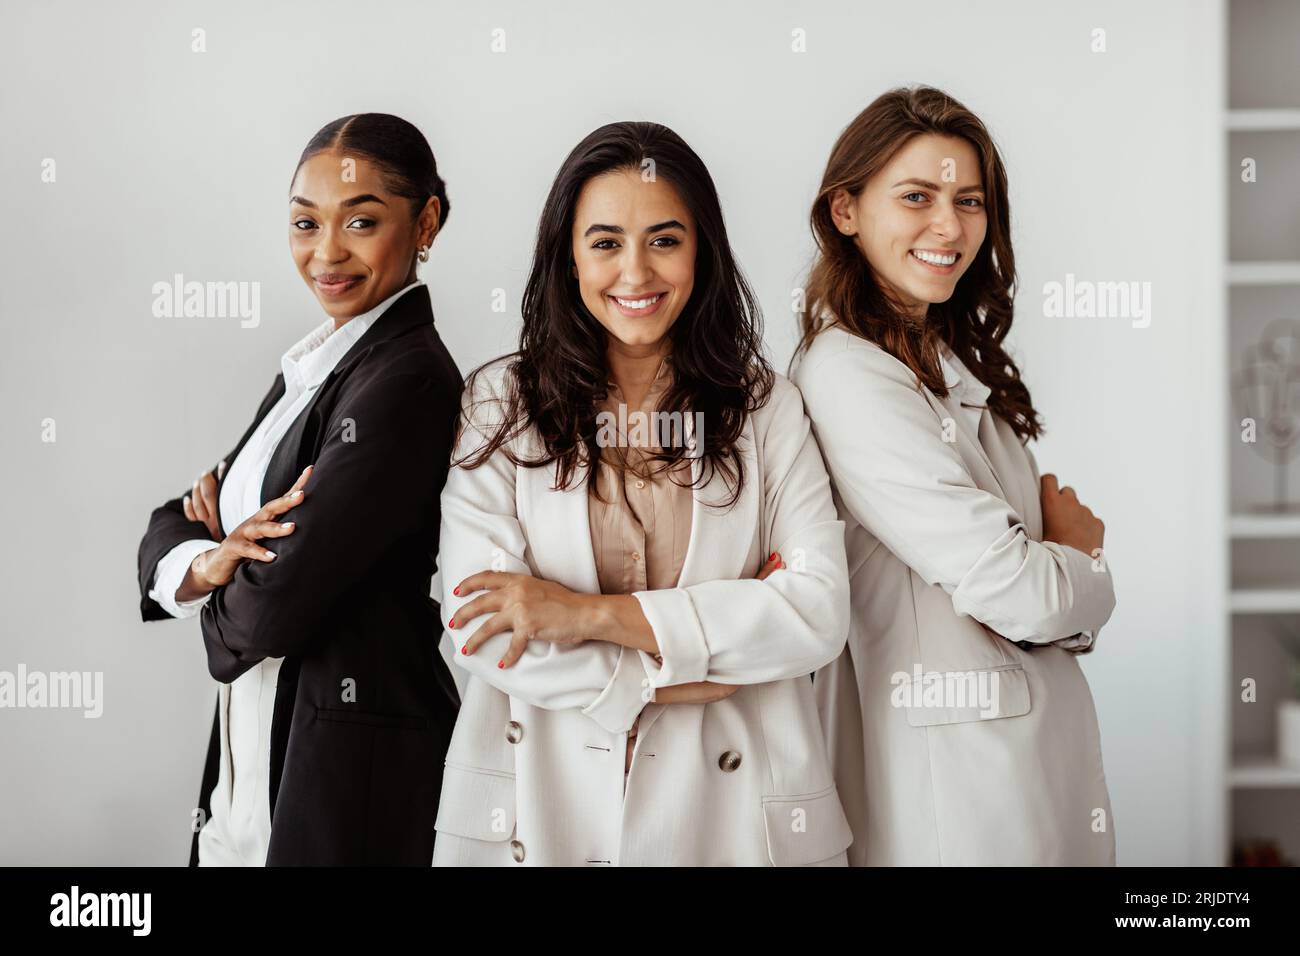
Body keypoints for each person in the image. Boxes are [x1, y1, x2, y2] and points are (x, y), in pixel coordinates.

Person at [431, 121, 853, 866]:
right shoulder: (500, 403)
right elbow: (485, 630)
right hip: (536, 806)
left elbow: (816, 614)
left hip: (737, 813)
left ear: (702, 251)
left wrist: (587, 616)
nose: (636, 272)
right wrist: (665, 675)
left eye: (664, 240)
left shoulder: (767, 407)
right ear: (567, 257)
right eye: (604, 243)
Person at [791, 86, 1118, 865]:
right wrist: (1085, 562)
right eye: (917, 197)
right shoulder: (848, 376)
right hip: (957, 790)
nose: (950, 226)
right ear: (846, 211)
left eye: (969, 200)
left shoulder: (946, 360)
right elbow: (1018, 585)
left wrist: (1060, 587)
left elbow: (1030, 595)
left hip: (1015, 759)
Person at [135, 113, 462, 865]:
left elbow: (271, 612)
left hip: (346, 784)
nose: (327, 253)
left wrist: (219, 584)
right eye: (305, 223)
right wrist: (209, 561)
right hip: (248, 780)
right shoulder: (315, 371)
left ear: (427, 222)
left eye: (361, 221)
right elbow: (173, 515)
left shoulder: (405, 380)